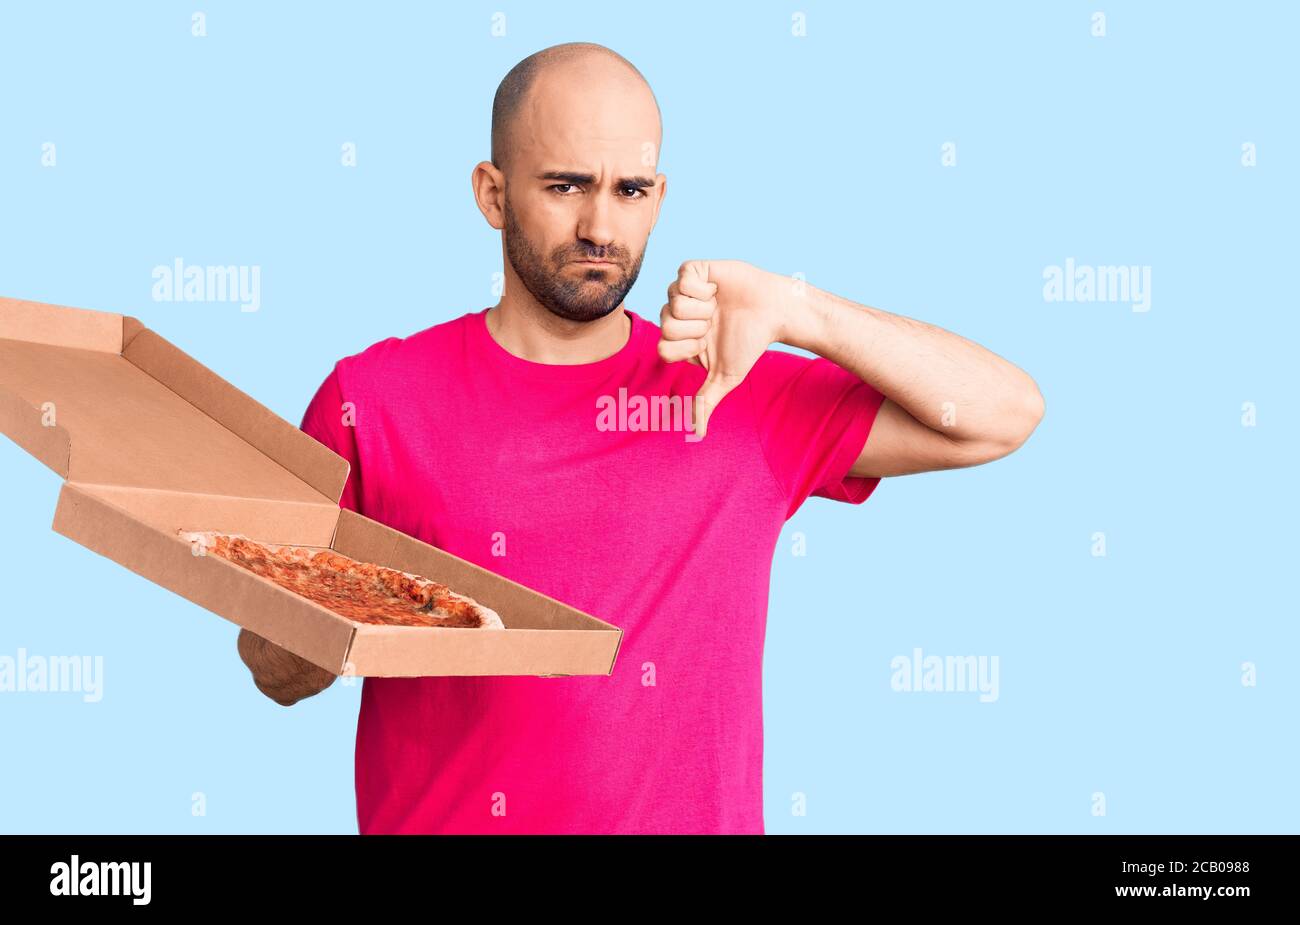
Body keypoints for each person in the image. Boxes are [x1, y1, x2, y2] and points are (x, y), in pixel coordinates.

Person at [237, 42, 1044, 834]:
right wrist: (345, 608)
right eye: (566, 186)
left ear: (659, 198)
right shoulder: (372, 402)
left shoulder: (733, 388)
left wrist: (798, 309)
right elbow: (272, 670)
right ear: (492, 193)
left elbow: (1002, 414)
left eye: (629, 190)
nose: (600, 225)